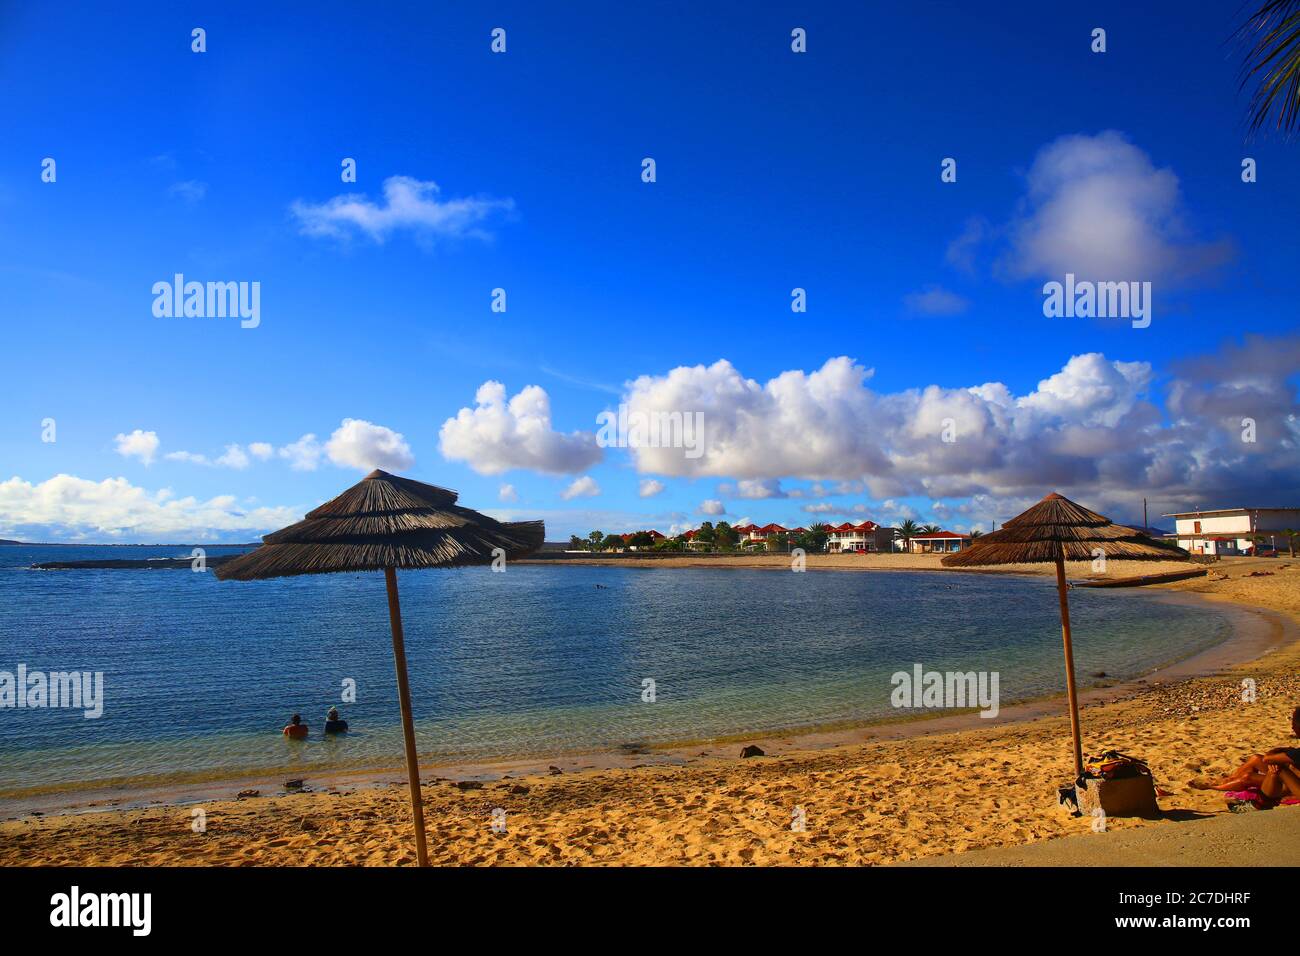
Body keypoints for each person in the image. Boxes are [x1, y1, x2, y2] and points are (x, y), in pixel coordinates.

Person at [1189, 706, 1300, 804]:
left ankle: (1214, 787)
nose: (1292, 728)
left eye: (1293, 725)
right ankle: (1229, 780)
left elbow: (1268, 759)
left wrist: (1280, 751)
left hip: (1290, 786)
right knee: (1256, 758)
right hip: (1291, 777)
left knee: (1248, 777)